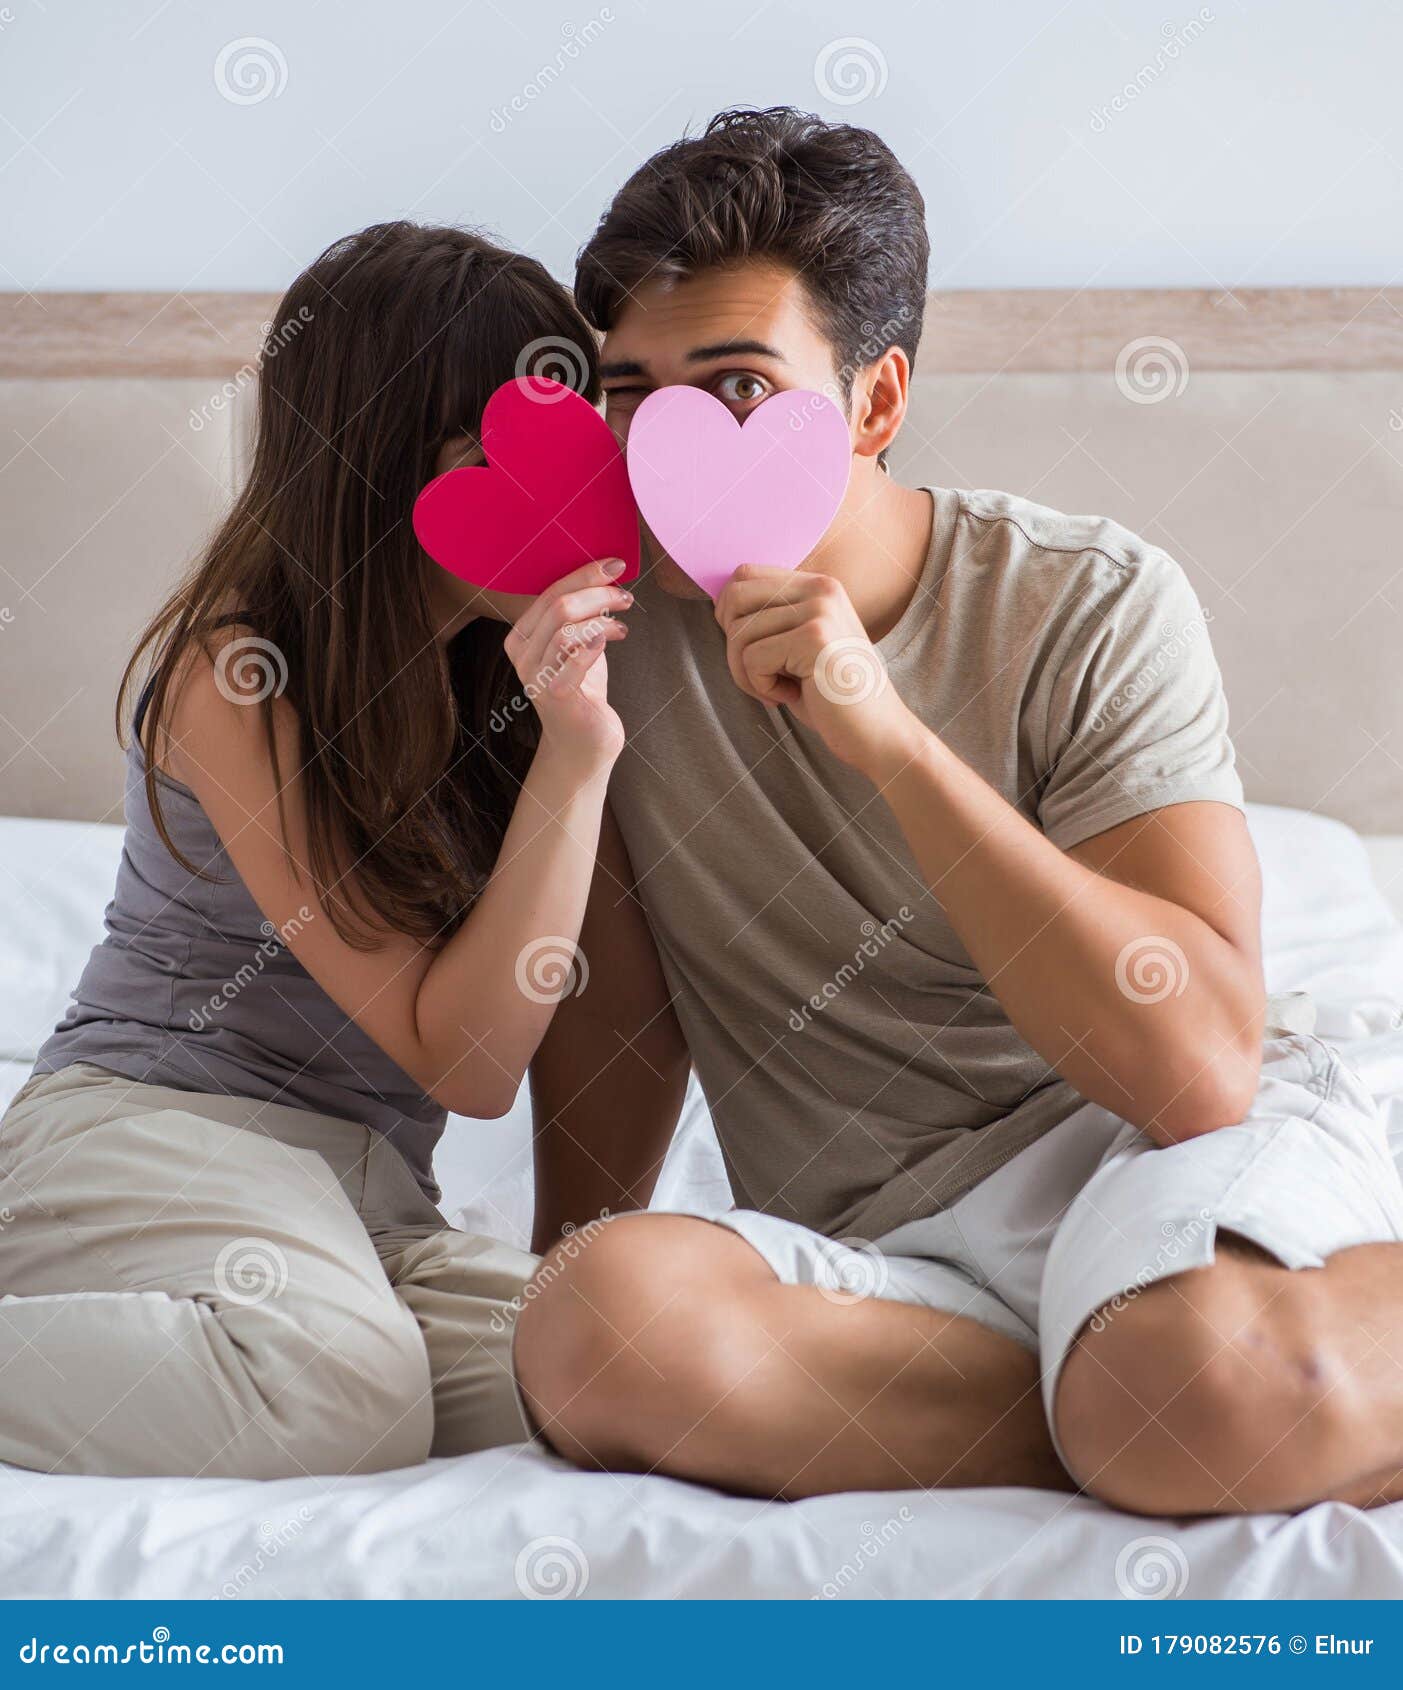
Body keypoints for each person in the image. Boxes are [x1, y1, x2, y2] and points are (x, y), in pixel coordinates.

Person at [517, 109, 1403, 1515]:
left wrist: (887, 740)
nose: (661, 440)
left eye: (735, 385)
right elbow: (616, 1015)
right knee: (591, 1325)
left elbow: (1192, 1071)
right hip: (887, 1268)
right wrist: (551, 1279)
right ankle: (1107, 1406)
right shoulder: (607, 636)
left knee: (1199, 1381)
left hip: (1152, 1158)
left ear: (872, 404)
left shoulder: (1085, 599)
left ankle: (1164, 1386)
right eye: (629, 392)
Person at [0, 220, 674, 1479]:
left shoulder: (515, 676)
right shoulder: (234, 676)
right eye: (503, 454)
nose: (566, 495)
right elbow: (465, 1061)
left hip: (368, 1203)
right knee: (342, 1393)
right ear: (389, 470)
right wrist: (576, 761)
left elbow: (582, 1012)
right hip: (152, 1134)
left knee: (630, 1381)